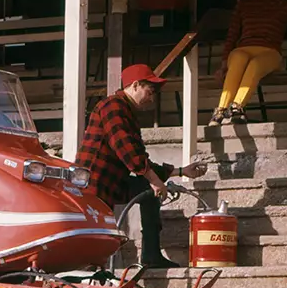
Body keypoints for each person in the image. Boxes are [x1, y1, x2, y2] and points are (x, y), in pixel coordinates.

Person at [77, 63, 209, 268]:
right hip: (92, 186)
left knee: (147, 191)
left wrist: (181, 171)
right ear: (135, 85)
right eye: (150, 91)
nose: (152, 98)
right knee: (94, 240)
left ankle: (151, 255)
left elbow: (140, 158)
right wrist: (155, 181)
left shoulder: (126, 110)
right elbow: (128, 150)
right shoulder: (112, 106)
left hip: (111, 183)